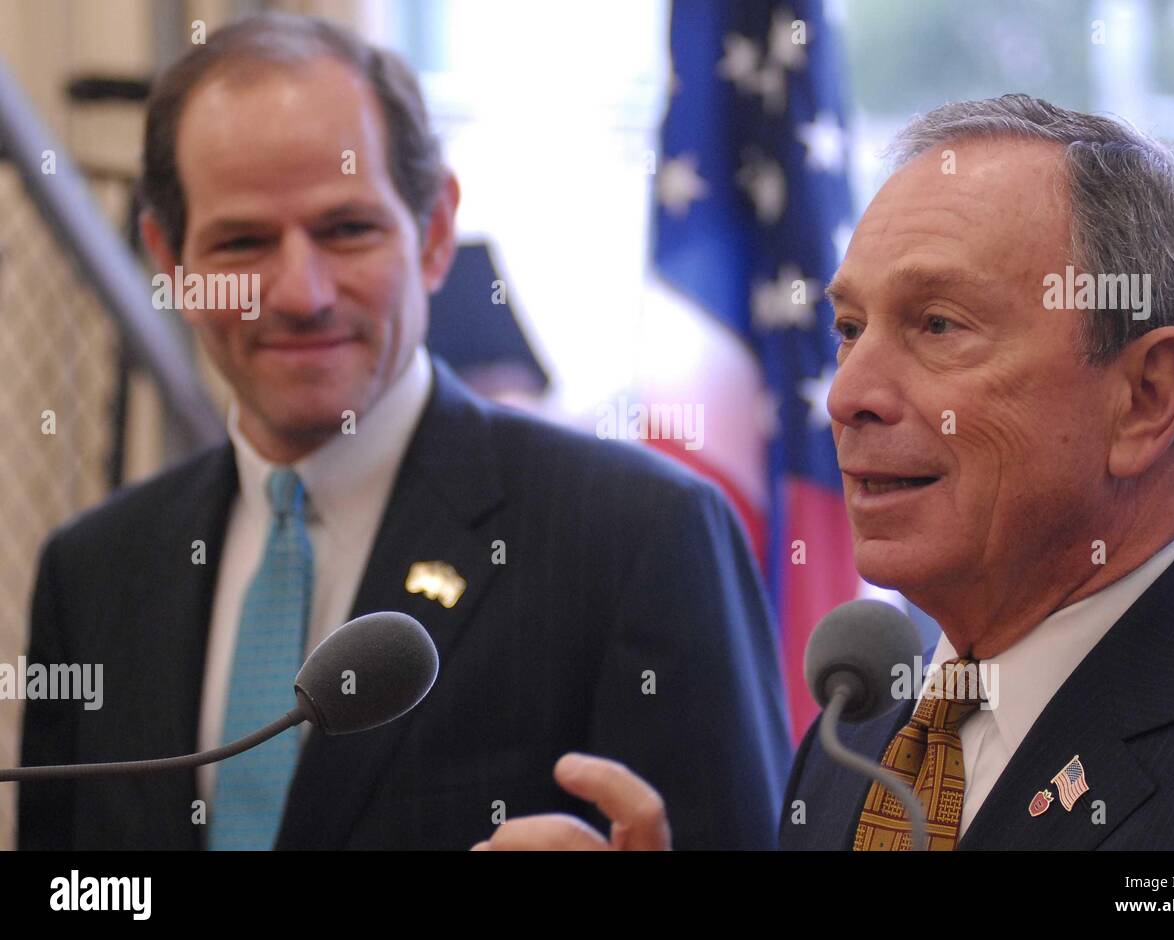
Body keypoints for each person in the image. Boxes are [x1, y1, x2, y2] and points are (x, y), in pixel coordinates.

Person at [17, 12, 791, 851]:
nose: (301, 292)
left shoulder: (638, 535)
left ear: (433, 232)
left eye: (347, 229)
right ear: (169, 262)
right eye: (242, 242)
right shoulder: (95, 572)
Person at [474, 95, 1174, 851]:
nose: (847, 396)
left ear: (1144, 400)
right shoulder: (858, 739)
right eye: (848, 328)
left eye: (938, 325)